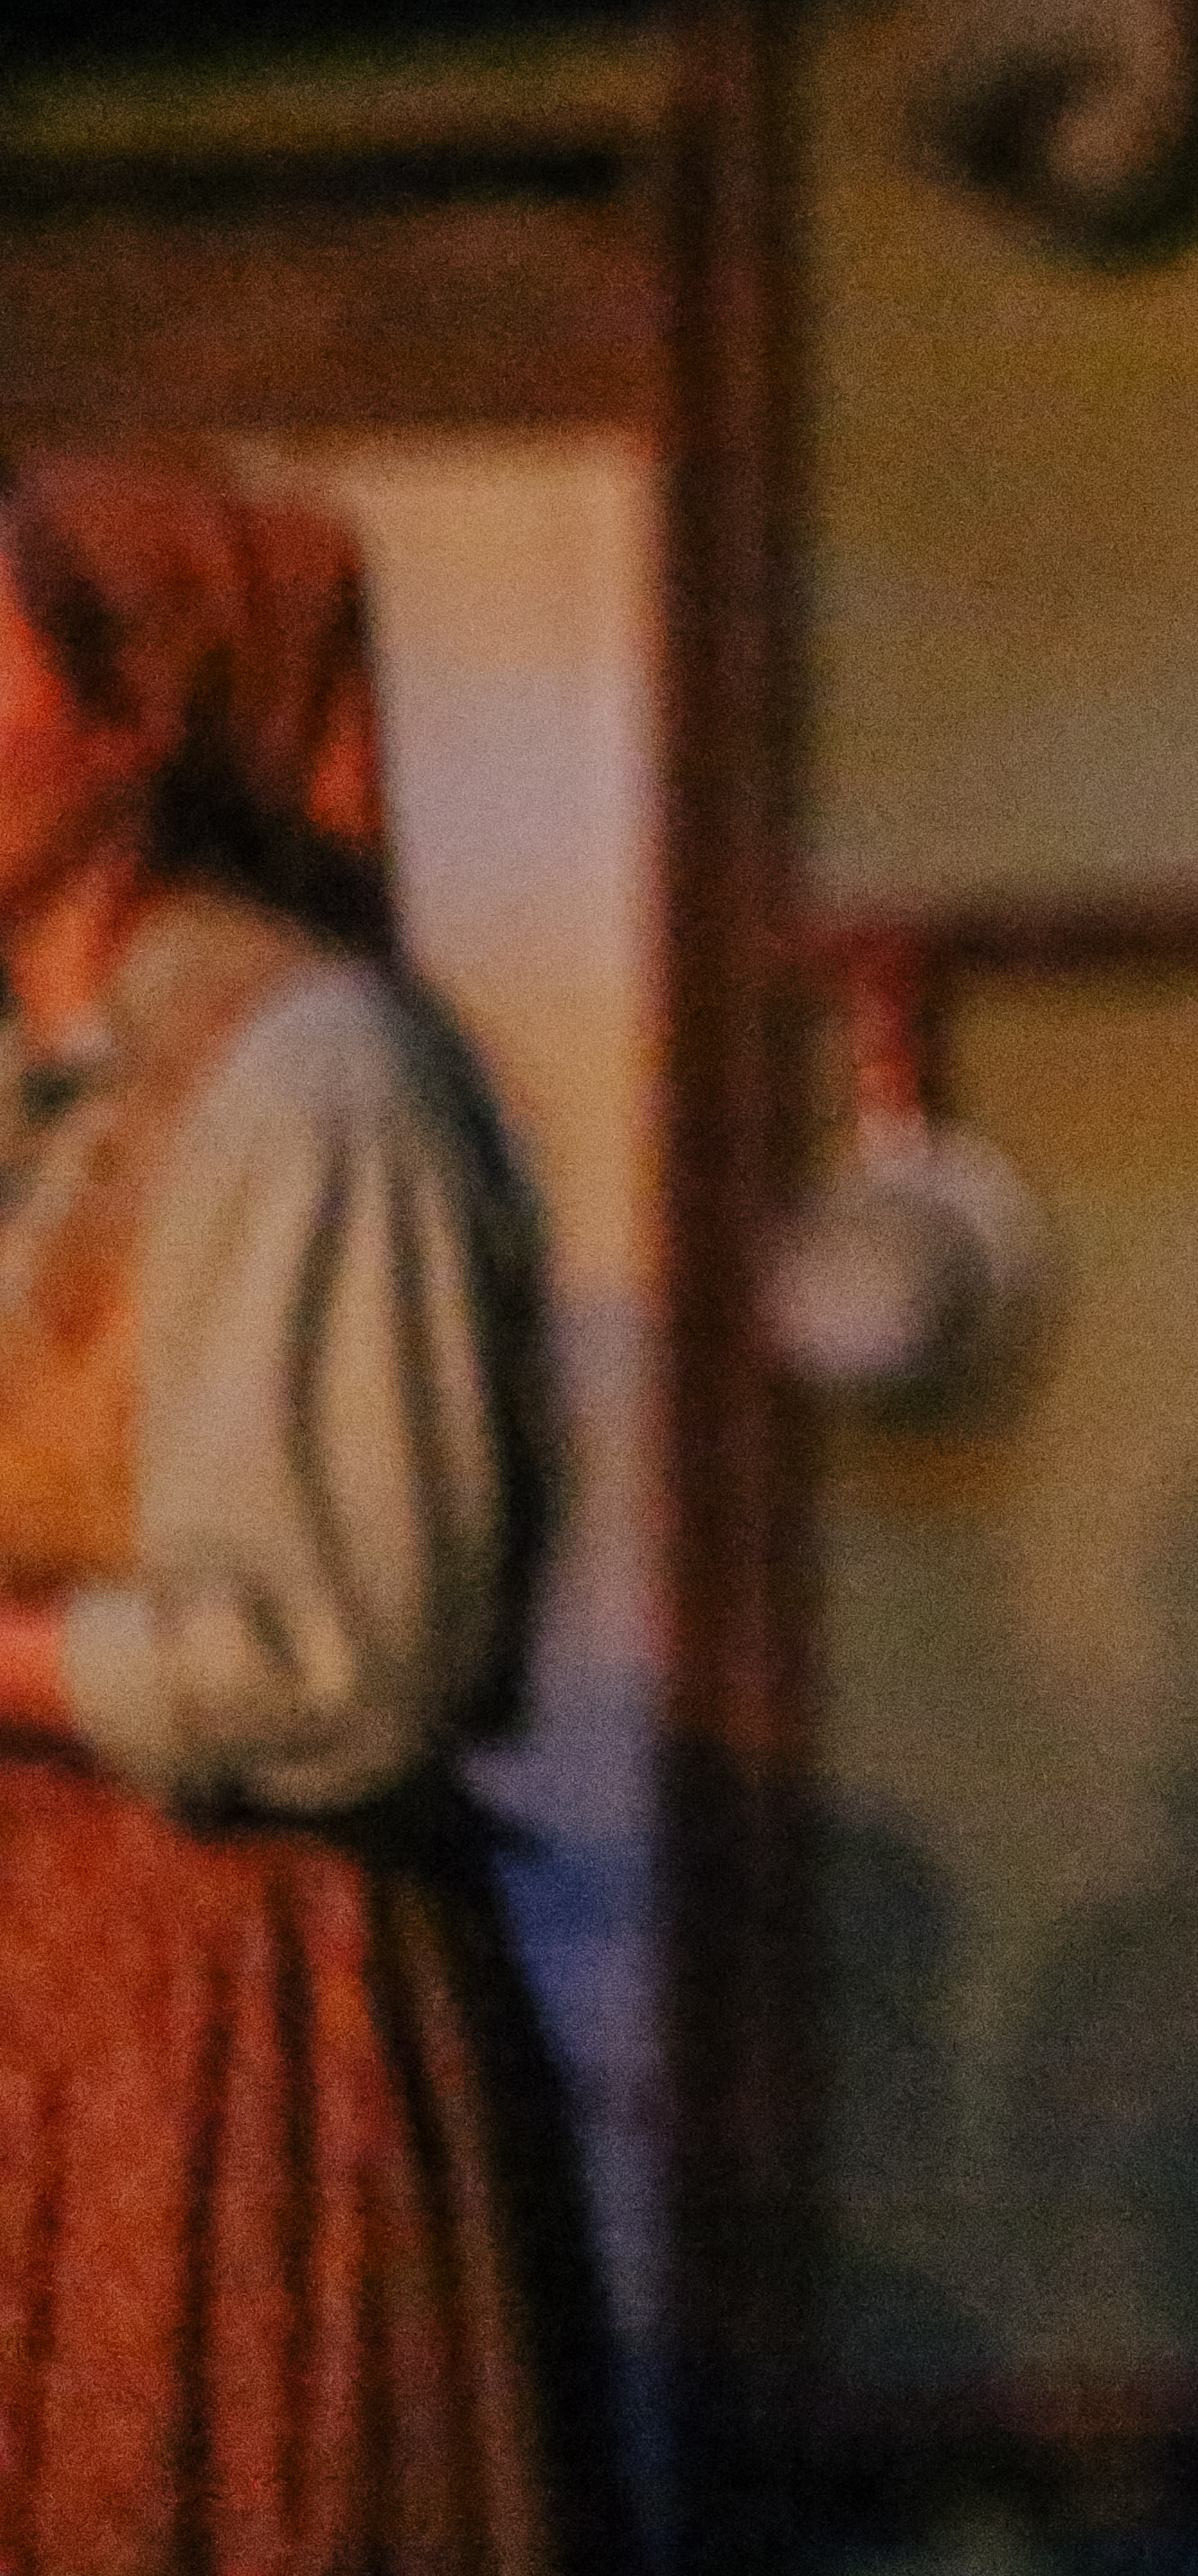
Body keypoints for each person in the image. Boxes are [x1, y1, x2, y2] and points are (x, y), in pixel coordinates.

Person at [0, 448, 631, 2569]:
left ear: (139, 718)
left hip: (226, 2027)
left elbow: (350, 1661)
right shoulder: (36, 1103)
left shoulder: (314, 1083)